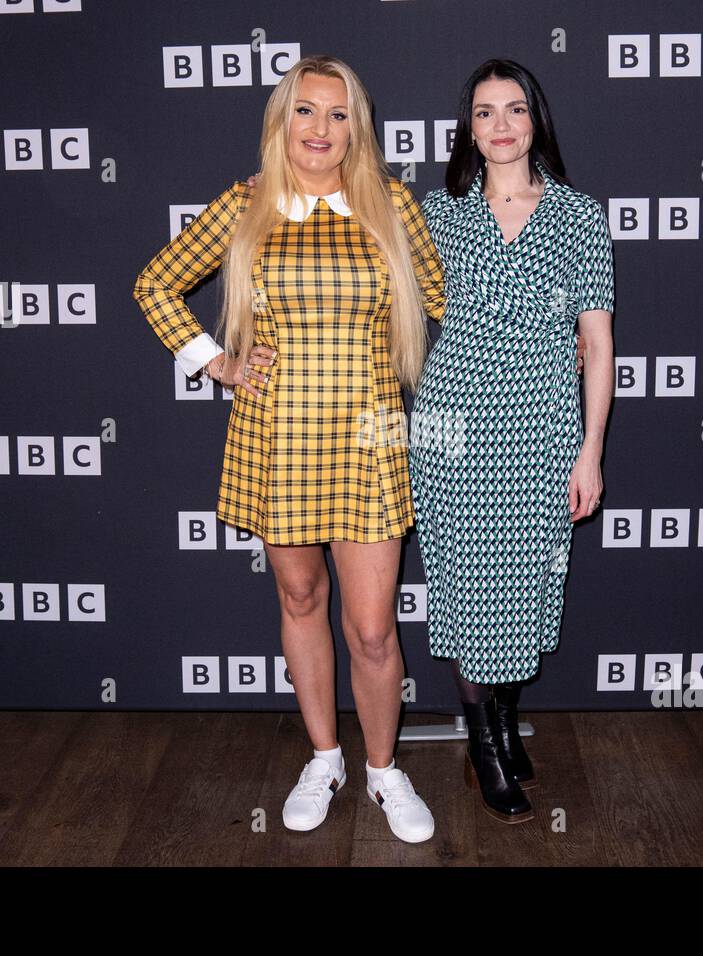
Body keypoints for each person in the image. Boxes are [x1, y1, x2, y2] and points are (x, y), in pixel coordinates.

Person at [131, 54, 446, 844]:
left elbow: (455, 305)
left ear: (357, 127)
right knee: (301, 601)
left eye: (339, 115)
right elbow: (154, 284)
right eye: (306, 111)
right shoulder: (247, 205)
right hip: (277, 436)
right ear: (282, 121)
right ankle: (324, 756)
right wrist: (219, 364)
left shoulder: (392, 205)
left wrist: (554, 336)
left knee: (373, 629)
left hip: (371, 436)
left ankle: (383, 770)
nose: (321, 129)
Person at [408, 59, 616, 823]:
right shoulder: (437, 212)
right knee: (470, 586)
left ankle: (498, 720)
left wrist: (589, 450)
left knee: (520, 587)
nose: (500, 125)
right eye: (485, 111)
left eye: (514, 109)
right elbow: (384, 295)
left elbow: (598, 340)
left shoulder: (578, 215)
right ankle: (484, 742)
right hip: (454, 428)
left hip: (541, 428)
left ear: (536, 122)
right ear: (469, 126)